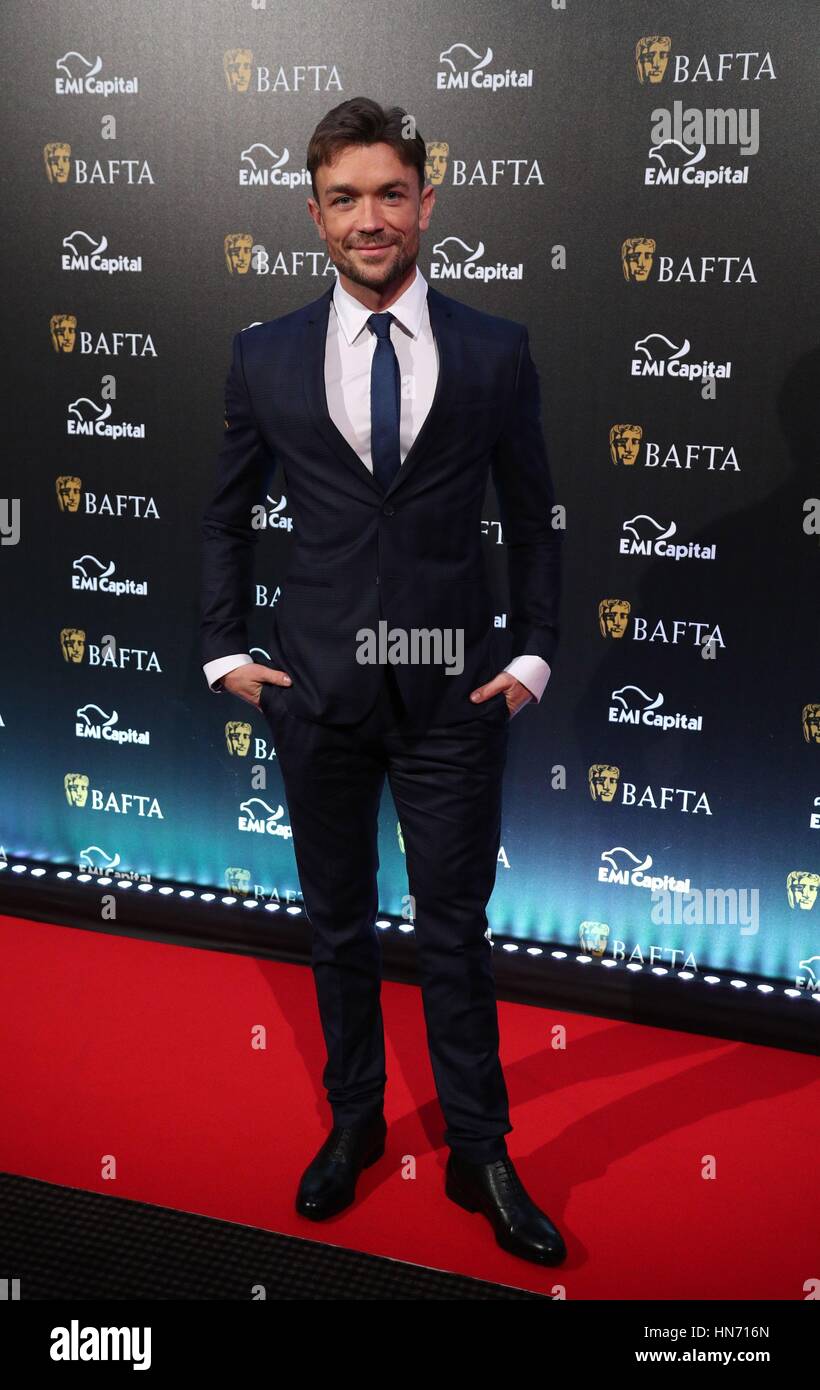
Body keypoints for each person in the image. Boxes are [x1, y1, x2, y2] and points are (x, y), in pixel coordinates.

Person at [200, 97, 565, 1266]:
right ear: (315, 213)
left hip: (453, 692)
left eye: (390, 193)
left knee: (454, 928)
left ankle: (479, 1145)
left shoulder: (496, 348)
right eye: (346, 198)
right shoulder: (261, 354)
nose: (372, 218)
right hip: (319, 691)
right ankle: (355, 1121)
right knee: (338, 922)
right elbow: (222, 519)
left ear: (426, 201)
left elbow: (534, 518)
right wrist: (224, 650)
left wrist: (529, 656)